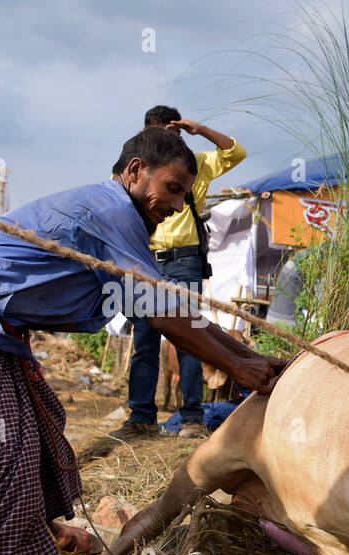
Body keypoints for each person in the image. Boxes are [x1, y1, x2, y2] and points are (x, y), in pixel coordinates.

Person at [0, 127, 284, 555]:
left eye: (184, 196)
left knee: (40, 436)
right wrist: (241, 368)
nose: (175, 205)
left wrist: (248, 356)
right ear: (133, 171)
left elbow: (176, 308)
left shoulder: (119, 219)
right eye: (172, 188)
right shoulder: (112, 212)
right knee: (5, 466)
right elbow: (159, 307)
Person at [113, 106, 248, 441]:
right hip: (147, 259)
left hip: (184, 260)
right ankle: (141, 417)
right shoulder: (139, 169)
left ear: (177, 133)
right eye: (153, 136)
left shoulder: (196, 163)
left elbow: (236, 151)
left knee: (189, 337)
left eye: (167, 135)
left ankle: (191, 418)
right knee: (144, 339)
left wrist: (199, 129)